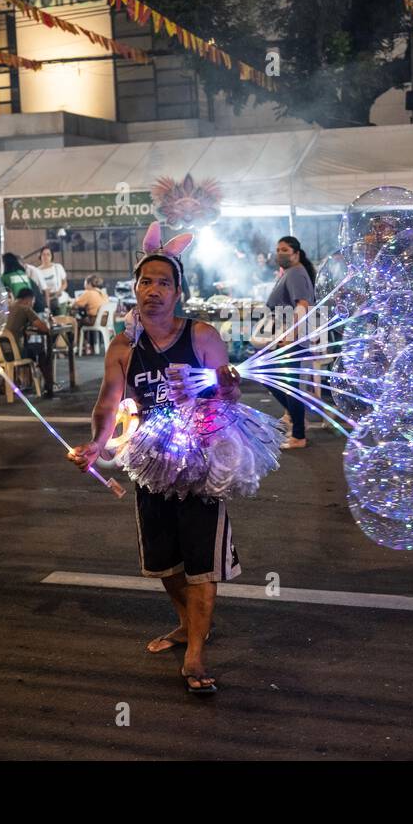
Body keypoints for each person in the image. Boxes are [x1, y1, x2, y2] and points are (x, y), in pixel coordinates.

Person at [68, 249, 243, 694]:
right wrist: (96, 444)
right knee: (164, 562)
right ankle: (188, 625)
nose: (154, 290)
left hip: (202, 463)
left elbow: (228, 400)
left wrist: (226, 387)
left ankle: (196, 655)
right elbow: (108, 403)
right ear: (136, 289)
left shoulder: (201, 336)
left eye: (164, 282)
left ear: (178, 292)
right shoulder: (124, 347)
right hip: (151, 463)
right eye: (146, 282)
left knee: (203, 563)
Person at [265, 235, 317, 450]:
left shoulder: (295, 273)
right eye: (278, 249)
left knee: (285, 384)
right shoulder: (290, 272)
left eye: (285, 249)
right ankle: (295, 419)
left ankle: (298, 434)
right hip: (286, 336)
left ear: (296, 253)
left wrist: (289, 336)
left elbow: (302, 305)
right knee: (273, 378)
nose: (280, 253)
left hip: (292, 338)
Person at [4, 288, 54, 398]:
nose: (33, 304)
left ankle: (27, 382)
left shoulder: (6, 308)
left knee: (31, 348)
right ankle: (49, 385)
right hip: (15, 353)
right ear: (28, 299)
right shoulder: (25, 309)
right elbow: (44, 328)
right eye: (33, 301)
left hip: (0, 352)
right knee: (41, 350)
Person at [27, 245, 67, 314]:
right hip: (44, 300)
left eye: (48, 254)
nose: (46, 257)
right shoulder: (37, 271)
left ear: (51, 256)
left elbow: (64, 283)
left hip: (59, 299)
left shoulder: (58, 267)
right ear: (40, 256)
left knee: (60, 321)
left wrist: (59, 291)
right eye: (43, 254)